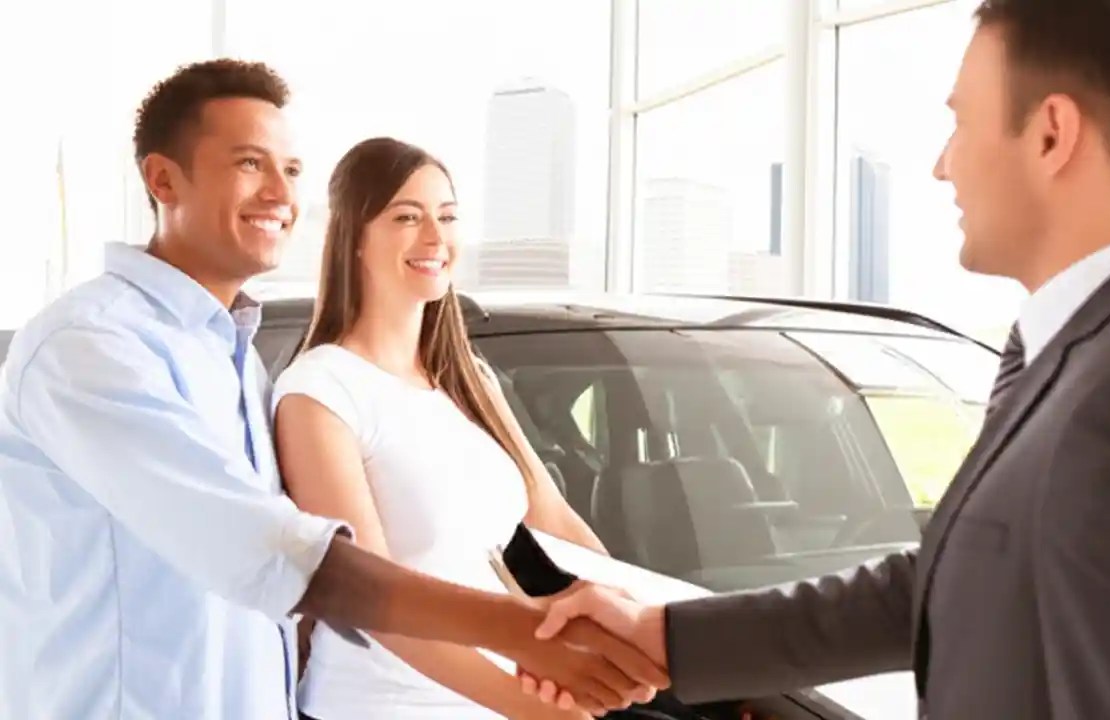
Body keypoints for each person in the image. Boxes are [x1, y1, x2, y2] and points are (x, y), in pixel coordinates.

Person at [523, 0, 1110, 717]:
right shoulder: (1102, 350)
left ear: (1051, 134)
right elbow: (952, 584)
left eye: (960, 123)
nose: (942, 166)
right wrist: (664, 632)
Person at [0, 60, 665, 720]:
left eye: (290, 171)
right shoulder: (91, 347)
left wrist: (656, 637)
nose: (279, 193)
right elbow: (276, 554)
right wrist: (519, 631)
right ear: (162, 178)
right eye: (249, 164)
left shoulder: (229, 354)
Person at [270, 136, 615, 720]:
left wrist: (634, 627)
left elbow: (552, 518)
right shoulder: (319, 392)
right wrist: (534, 710)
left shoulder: (468, 377)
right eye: (407, 217)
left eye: (447, 216)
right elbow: (371, 602)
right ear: (354, 237)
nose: (435, 237)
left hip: (504, 702)